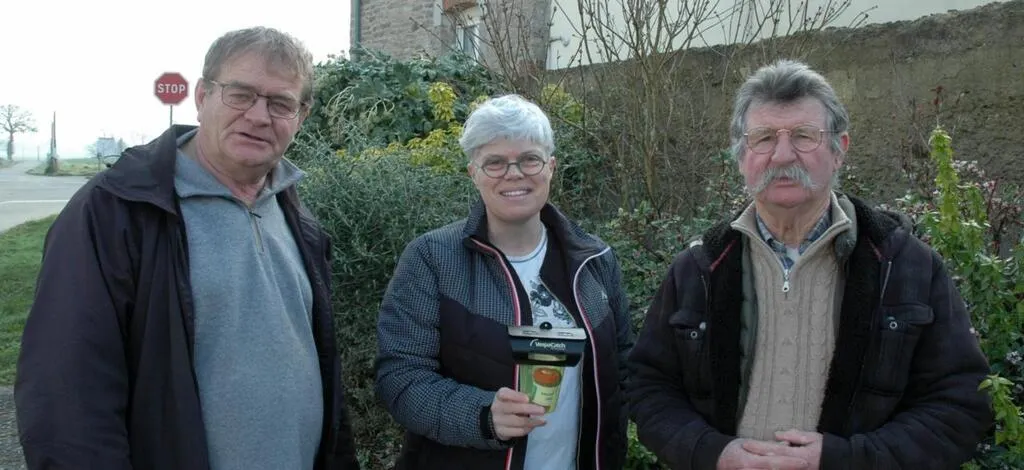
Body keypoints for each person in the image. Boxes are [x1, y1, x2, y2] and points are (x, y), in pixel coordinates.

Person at [15, 27, 359, 470]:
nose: (258, 116)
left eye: (280, 103)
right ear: (201, 96)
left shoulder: (298, 218)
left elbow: (323, 376)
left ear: (302, 116)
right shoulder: (117, 209)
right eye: (240, 94)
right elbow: (65, 395)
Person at [627, 59, 993, 470]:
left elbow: (960, 404)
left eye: (804, 136)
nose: (783, 155)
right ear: (741, 155)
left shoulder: (905, 267)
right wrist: (715, 454)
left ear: (840, 150)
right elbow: (649, 387)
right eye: (764, 137)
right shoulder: (699, 268)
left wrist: (843, 459)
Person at [375, 94, 634, 469]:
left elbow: (625, 370)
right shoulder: (432, 259)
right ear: (473, 173)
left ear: (551, 167)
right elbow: (399, 378)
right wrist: (481, 416)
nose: (514, 174)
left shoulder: (595, 261)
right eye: (495, 162)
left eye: (530, 159)